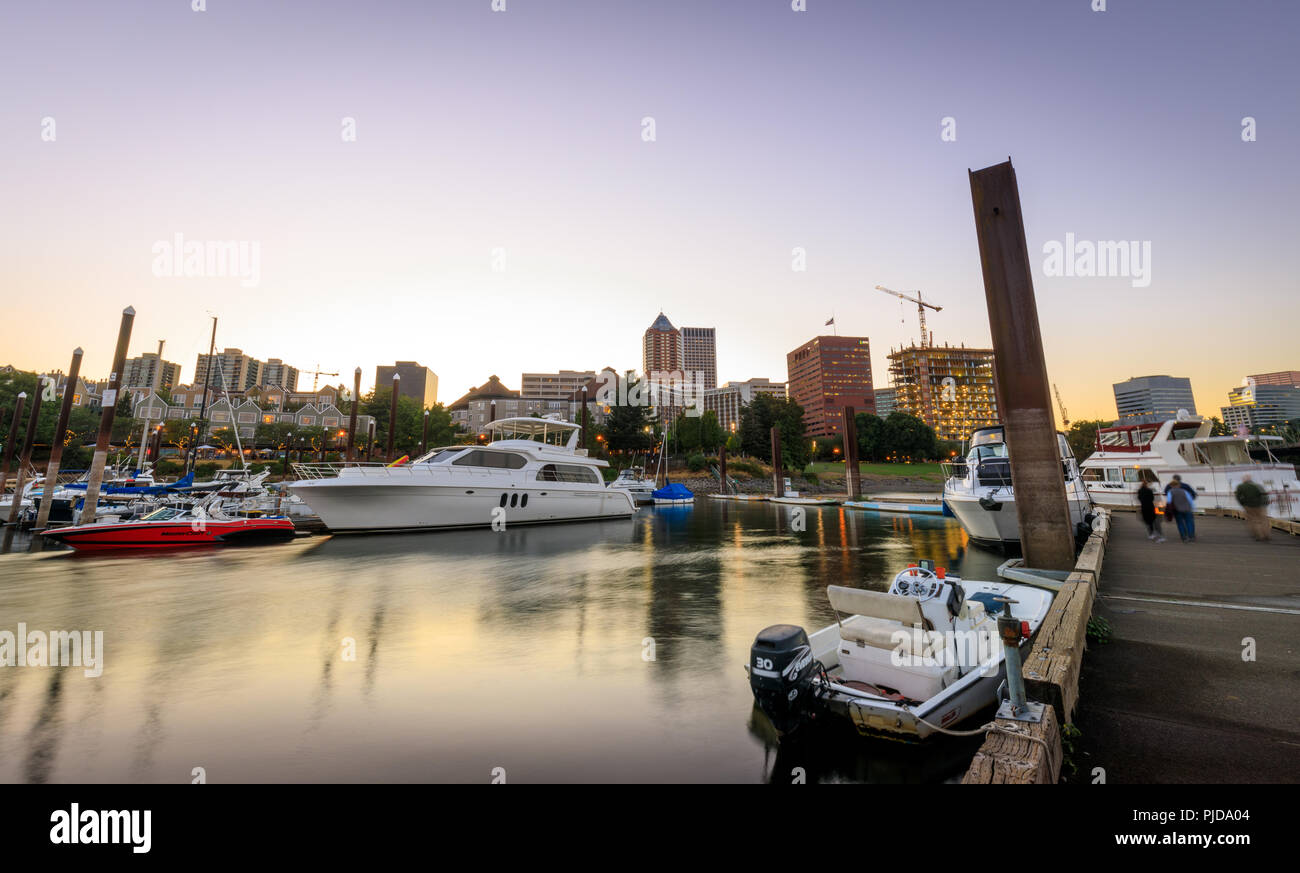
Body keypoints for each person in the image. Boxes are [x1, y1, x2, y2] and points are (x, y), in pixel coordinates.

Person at [1234, 474, 1271, 541]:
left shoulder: (1241, 486)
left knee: (1252, 521)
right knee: (1264, 520)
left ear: (1243, 480)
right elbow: (1264, 495)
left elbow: (1238, 496)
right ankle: (1266, 534)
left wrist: (1242, 503)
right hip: (1260, 506)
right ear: (1250, 479)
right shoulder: (1258, 485)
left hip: (1248, 506)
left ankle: (1259, 536)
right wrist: (1265, 504)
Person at [1164, 474, 1197, 542]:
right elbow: (1190, 499)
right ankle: (1191, 536)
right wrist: (1193, 508)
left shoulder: (1170, 491)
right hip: (1187, 509)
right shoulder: (1185, 490)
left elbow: (1169, 501)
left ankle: (1184, 537)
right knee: (1189, 522)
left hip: (1177, 509)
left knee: (1180, 523)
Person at [1136, 477, 1165, 542]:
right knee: (1153, 520)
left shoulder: (1140, 490)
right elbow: (1152, 498)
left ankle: (1151, 534)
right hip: (1150, 507)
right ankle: (1157, 534)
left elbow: (1139, 498)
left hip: (1143, 507)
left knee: (1148, 521)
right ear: (1147, 484)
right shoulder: (1149, 490)